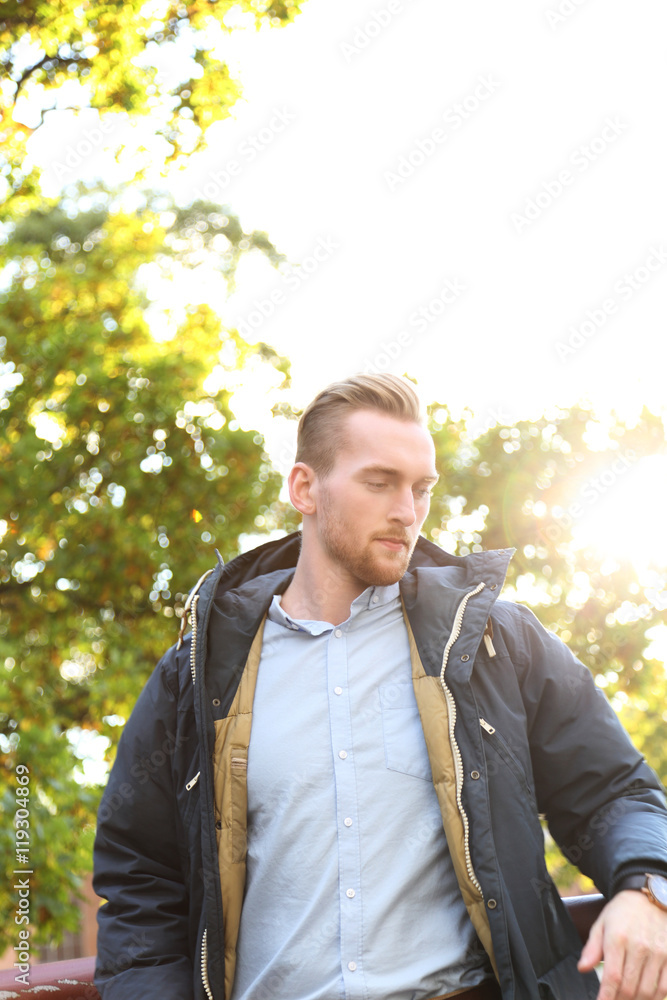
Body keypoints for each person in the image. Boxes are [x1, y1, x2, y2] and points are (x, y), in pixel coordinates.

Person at [93, 373, 667, 1000]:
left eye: (421, 488)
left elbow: (614, 790)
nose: (407, 511)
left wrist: (646, 889)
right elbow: (140, 876)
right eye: (379, 482)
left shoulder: (496, 642)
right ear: (304, 487)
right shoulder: (199, 670)